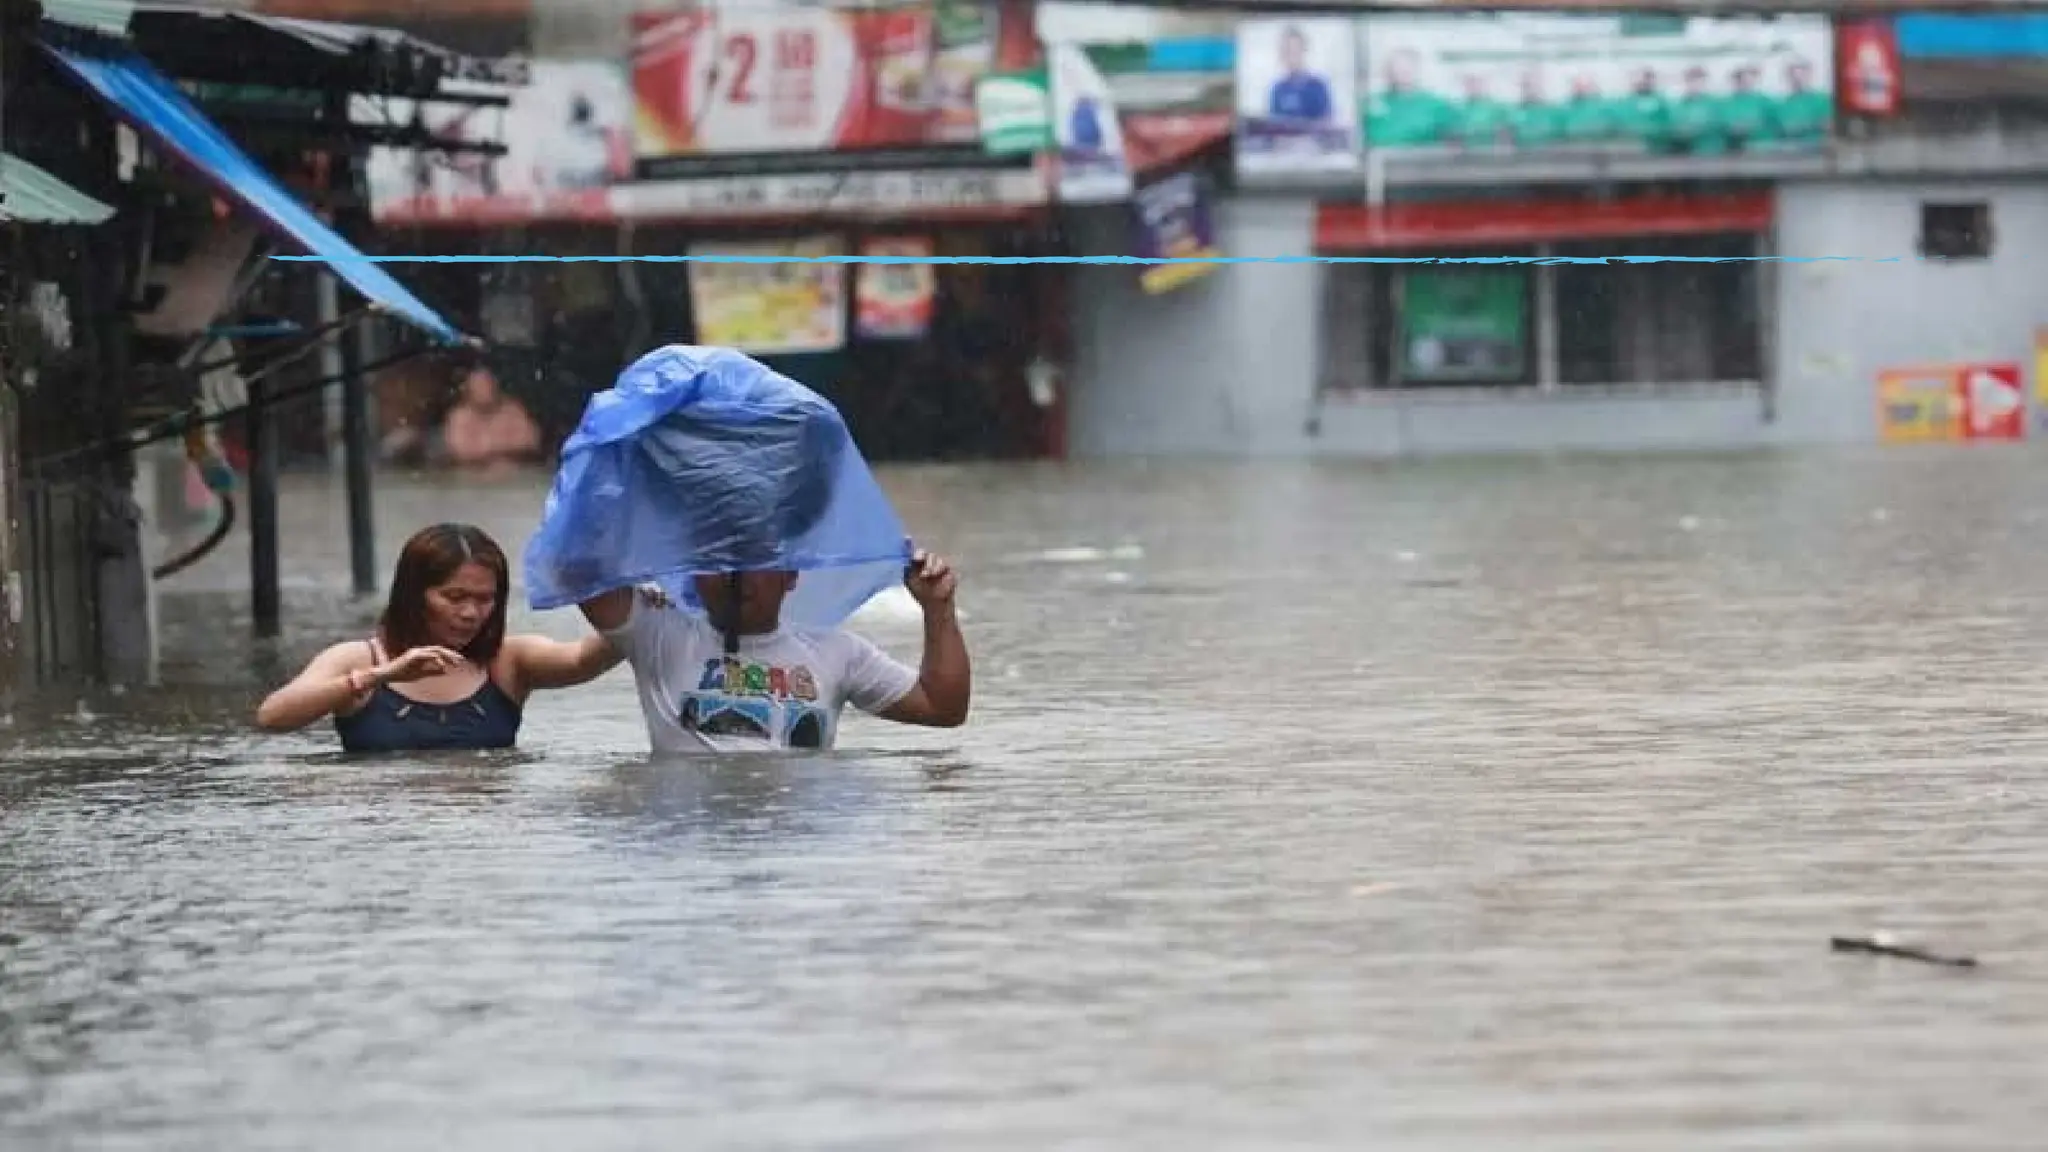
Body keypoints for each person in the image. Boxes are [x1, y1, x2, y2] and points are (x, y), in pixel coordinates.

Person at [255, 523, 649, 753]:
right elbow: (272, 717)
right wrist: (380, 677)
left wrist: (642, 605)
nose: (470, 613)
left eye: (485, 599)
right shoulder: (359, 660)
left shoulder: (508, 661)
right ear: (414, 594)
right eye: (454, 597)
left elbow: (583, 658)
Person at [577, 549, 970, 754]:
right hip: (693, 851)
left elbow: (943, 707)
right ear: (693, 574)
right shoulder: (657, 631)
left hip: (794, 850)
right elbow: (572, 567)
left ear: (791, 575)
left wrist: (938, 609)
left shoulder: (837, 652)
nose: (738, 578)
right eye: (718, 561)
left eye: (758, 562)